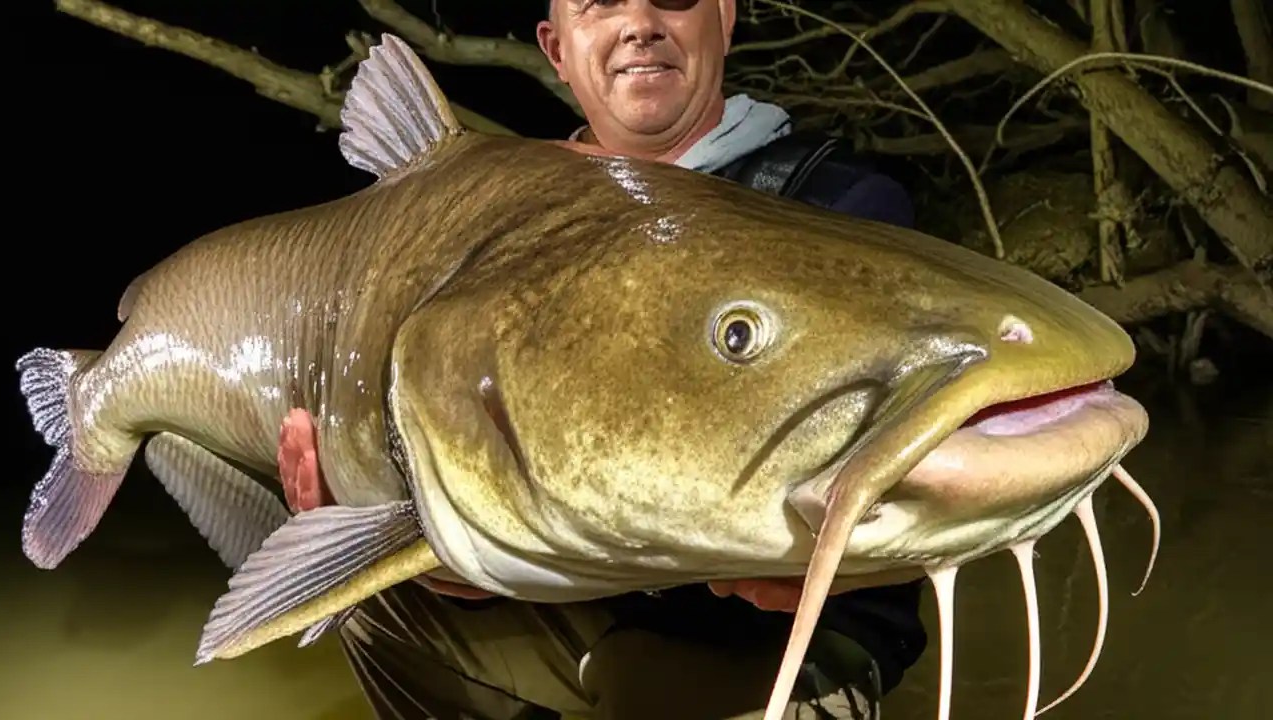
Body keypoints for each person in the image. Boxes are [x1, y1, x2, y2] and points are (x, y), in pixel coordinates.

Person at [280, 1, 929, 717]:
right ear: (557, 48)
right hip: (583, 601)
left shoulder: (842, 208)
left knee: (656, 677)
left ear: (725, 17)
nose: (640, 22)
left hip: (776, 639)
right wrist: (439, 542)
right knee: (371, 595)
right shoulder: (506, 221)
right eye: (599, 2)